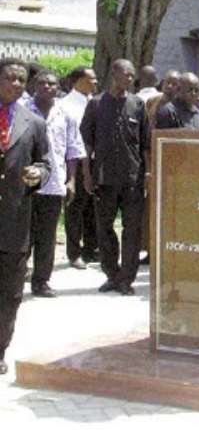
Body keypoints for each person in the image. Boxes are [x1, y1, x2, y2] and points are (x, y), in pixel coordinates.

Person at [80, 59, 149, 296]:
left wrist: (147, 174)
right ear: (113, 74)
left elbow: (145, 145)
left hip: (132, 179)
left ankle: (126, 279)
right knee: (104, 227)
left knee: (132, 230)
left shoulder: (138, 105)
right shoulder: (96, 105)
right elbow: (86, 144)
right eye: (126, 74)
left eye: (132, 76)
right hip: (104, 178)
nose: (129, 79)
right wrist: (87, 175)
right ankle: (111, 273)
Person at [0, 58, 50, 374]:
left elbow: (46, 164)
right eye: (10, 78)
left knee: (9, 294)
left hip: (14, 222)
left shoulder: (34, 123)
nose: (17, 84)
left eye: (21, 80)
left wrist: (39, 173)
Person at [26, 70, 85, 297]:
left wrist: (71, 181)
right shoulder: (23, 110)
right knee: (23, 235)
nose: (47, 87)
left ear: (58, 87)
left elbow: (73, 149)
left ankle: (41, 281)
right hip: (25, 183)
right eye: (42, 83)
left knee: (47, 236)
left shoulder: (65, 113)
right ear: (34, 85)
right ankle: (16, 276)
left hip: (54, 184)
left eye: (52, 84)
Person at [60, 65, 98, 269]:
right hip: (74, 162)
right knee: (75, 207)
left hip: (94, 162)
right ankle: (74, 252)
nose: (95, 82)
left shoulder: (95, 103)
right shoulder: (66, 106)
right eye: (91, 79)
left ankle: (91, 249)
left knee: (92, 207)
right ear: (78, 81)